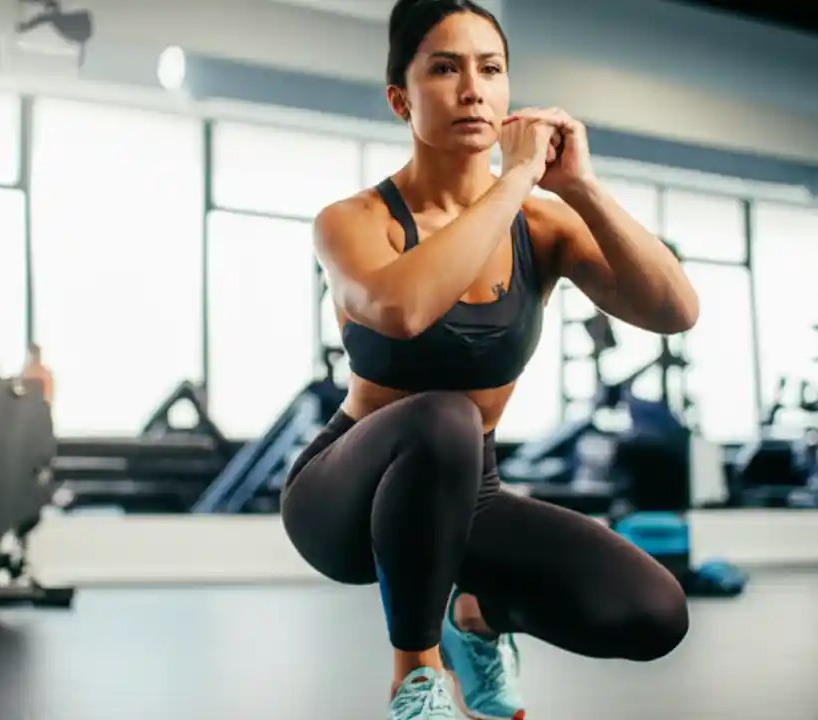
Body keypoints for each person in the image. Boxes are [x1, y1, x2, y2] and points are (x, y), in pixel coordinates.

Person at [279, 1, 701, 717]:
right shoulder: (354, 222)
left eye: (491, 69)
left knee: (655, 613)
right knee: (445, 417)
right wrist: (515, 179)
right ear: (401, 99)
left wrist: (580, 189)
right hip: (343, 501)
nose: (473, 89)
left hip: (470, 492)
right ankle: (417, 677)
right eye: (446, 69)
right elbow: (405, 311)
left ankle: (474, 616)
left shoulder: (544, 226)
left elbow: (676, 311)